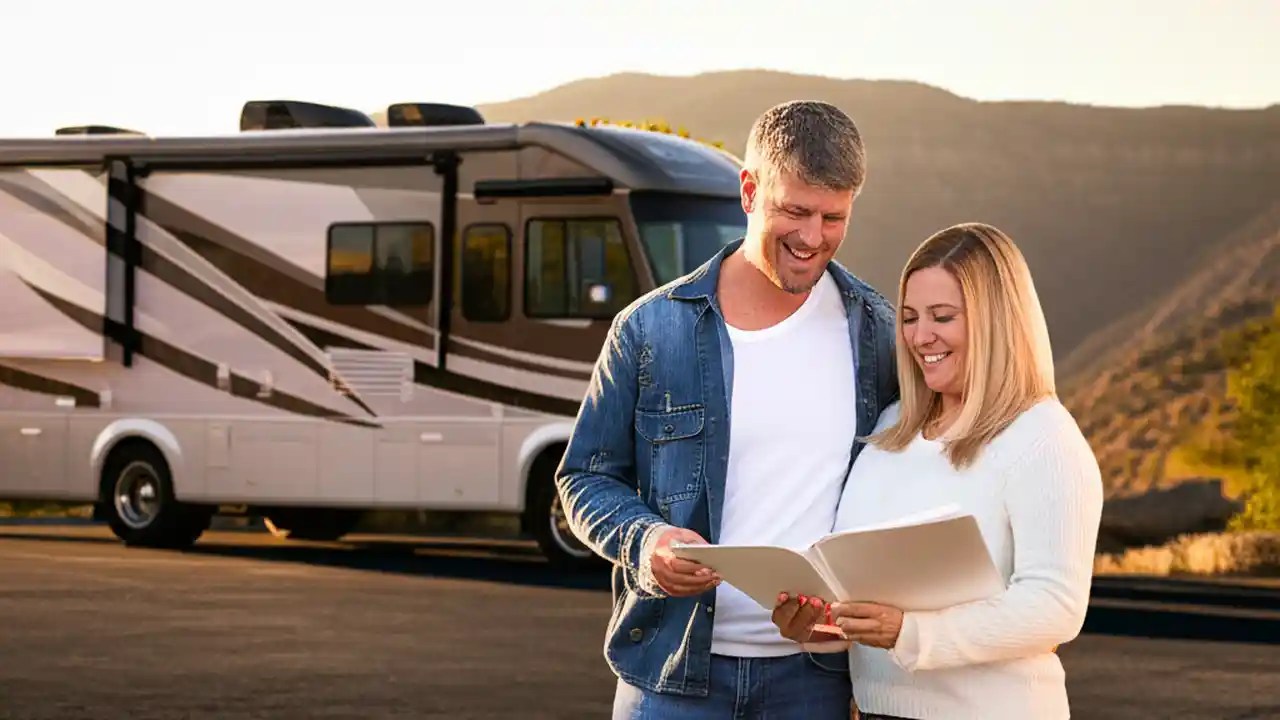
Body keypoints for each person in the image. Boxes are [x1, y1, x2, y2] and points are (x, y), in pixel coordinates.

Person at [554, 99, 900, 718]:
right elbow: (584, 478)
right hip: (669, 673)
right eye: (794, 211)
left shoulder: (877, 333)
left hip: (816, 680)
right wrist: (647, 541)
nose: (812, 238)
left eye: (833, 217)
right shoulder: (649, 328)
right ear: (748, 190)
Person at [771, 222, 1104, 720]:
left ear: (997, 322)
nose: (920, 337)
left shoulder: (1043, 438)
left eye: (942, 317)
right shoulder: (891, 429)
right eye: (909, 317)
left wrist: (910, 633)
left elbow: (1055, 605)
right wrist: (824, 625)